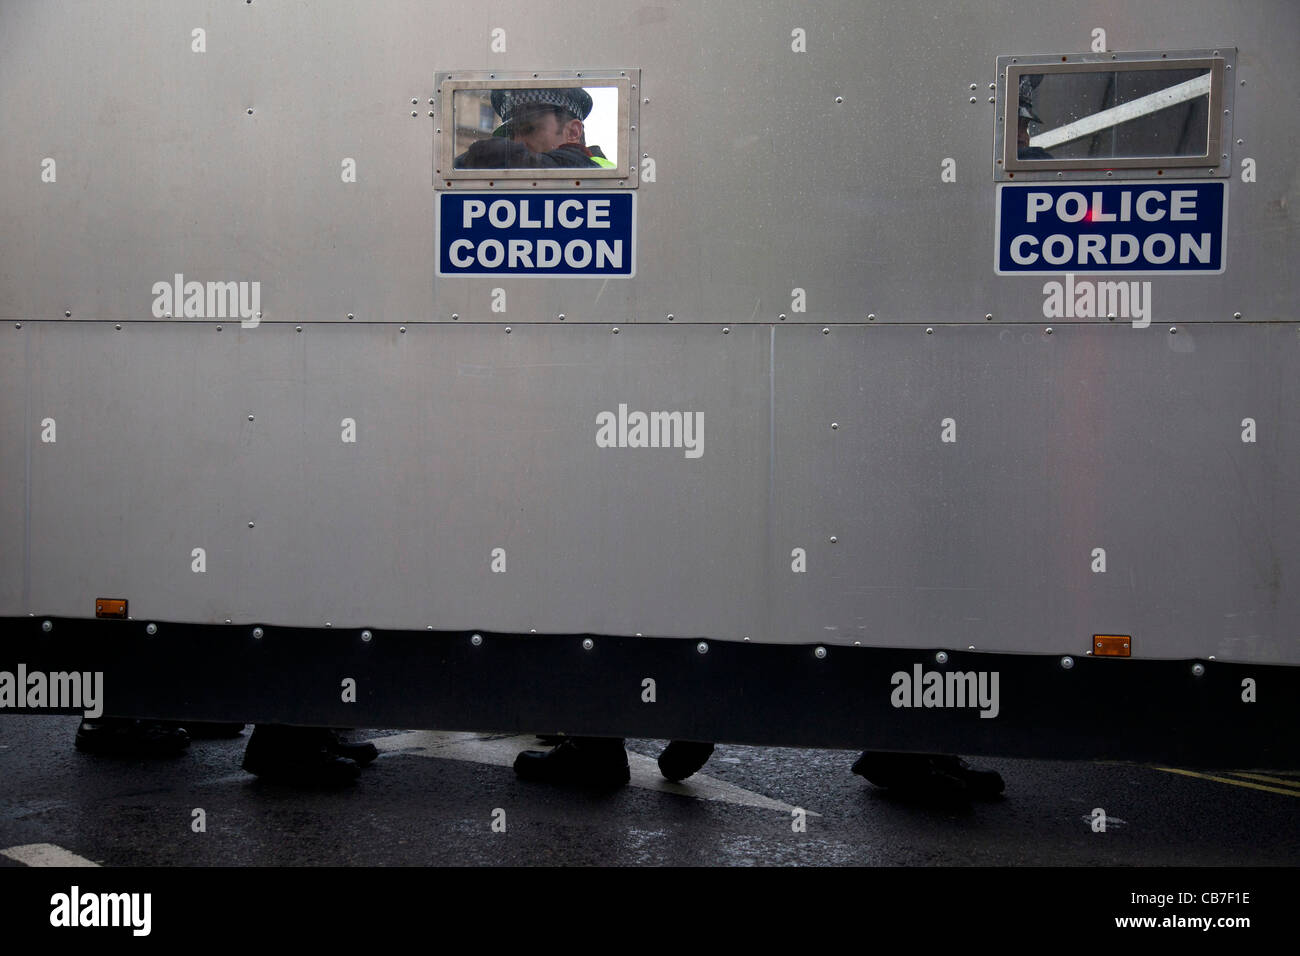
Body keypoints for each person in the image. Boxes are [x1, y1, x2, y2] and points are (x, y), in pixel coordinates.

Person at [454, 87, 609, 170]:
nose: (516, 142)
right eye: (511, 135)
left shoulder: (599, 175)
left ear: (573, 132)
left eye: (529, 129)